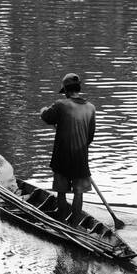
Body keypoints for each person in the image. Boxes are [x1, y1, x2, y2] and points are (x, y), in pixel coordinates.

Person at [40, 73, 95, 225]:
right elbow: (90, 137)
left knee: (61, 191)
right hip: (80, 157)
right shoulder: (91, 108)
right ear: (78, 88)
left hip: (62, 156)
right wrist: (80, 148)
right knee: (79, 192)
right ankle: (75, 225)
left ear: (65, 90)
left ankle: (62, 221)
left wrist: (43, 109)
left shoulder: (61, 105)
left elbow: (46, 117)